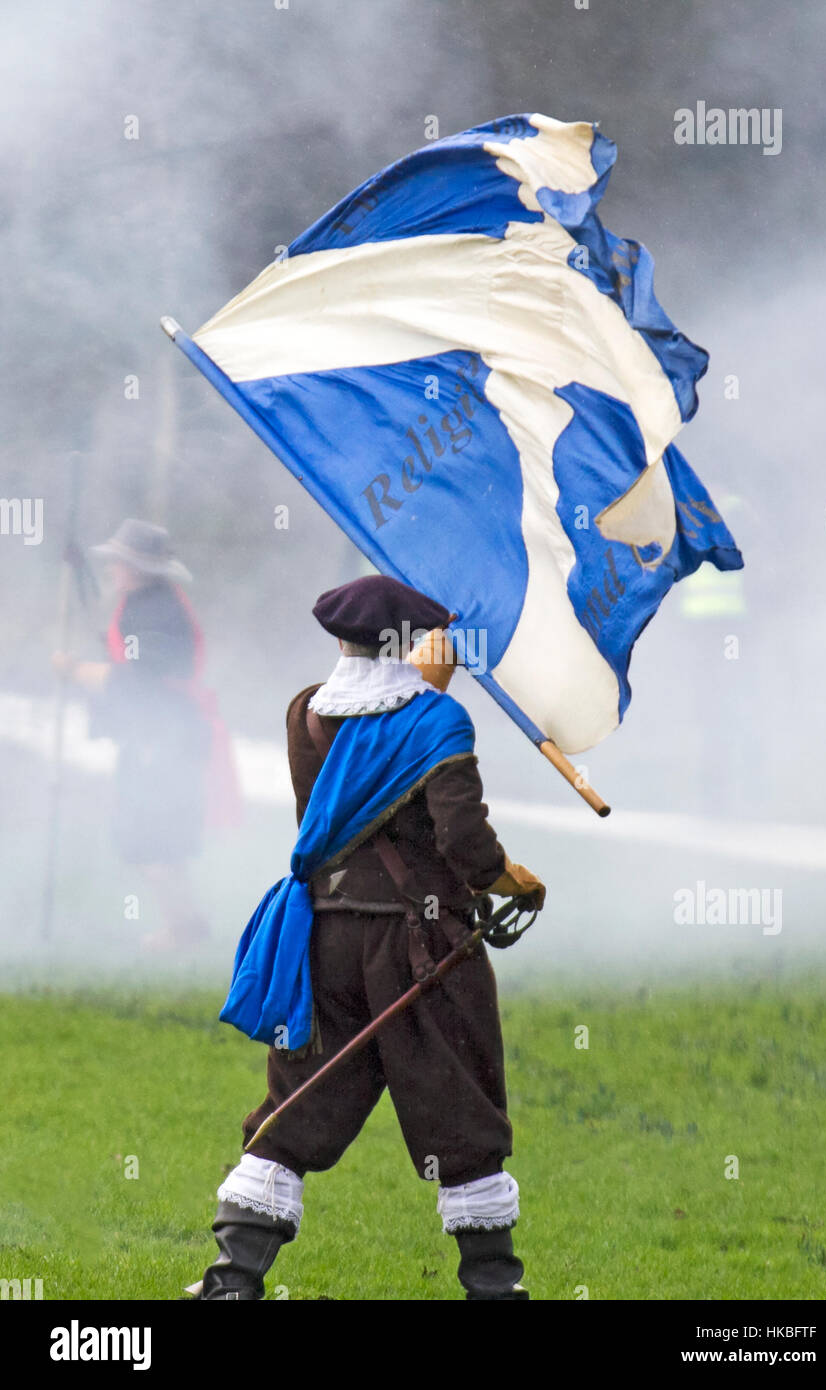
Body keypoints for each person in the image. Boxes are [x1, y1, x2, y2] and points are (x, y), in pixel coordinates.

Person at [193, 574, 545, 1301]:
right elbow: (466, 846)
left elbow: (327, 819)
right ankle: (493, 1288)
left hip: (322, 942)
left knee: (294, 1112)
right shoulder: (436, 723)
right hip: (420, 950)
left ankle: (232, 1282)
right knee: (462, 1115)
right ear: (409, 642)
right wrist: (514, 881)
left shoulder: (306, 714)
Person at [53, 518, 239, 950]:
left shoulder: (155, 610)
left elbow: (137, 681)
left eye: (120, 562)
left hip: (163, 742)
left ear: (137, 568)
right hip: (155, 739)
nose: (114, 569)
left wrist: (74, 670)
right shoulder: (147, 602)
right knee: (153, 841)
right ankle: (186, 925)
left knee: (150, 840)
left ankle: (184, 929)